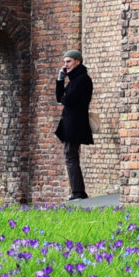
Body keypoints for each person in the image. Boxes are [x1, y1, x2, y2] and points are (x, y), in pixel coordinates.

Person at [55, 50, 94, 201]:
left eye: (68, 61)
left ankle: (78, 192)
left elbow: (67, 100)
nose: (65, 65)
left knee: (70, 156)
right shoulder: (74, 79)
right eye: (65, 62)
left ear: (77, 61)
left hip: (75, 123)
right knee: (70, 156)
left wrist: (65, 96)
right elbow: (60, 98)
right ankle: (77, 191)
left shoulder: (82, 79)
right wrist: (60, 80)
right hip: (71, 122)